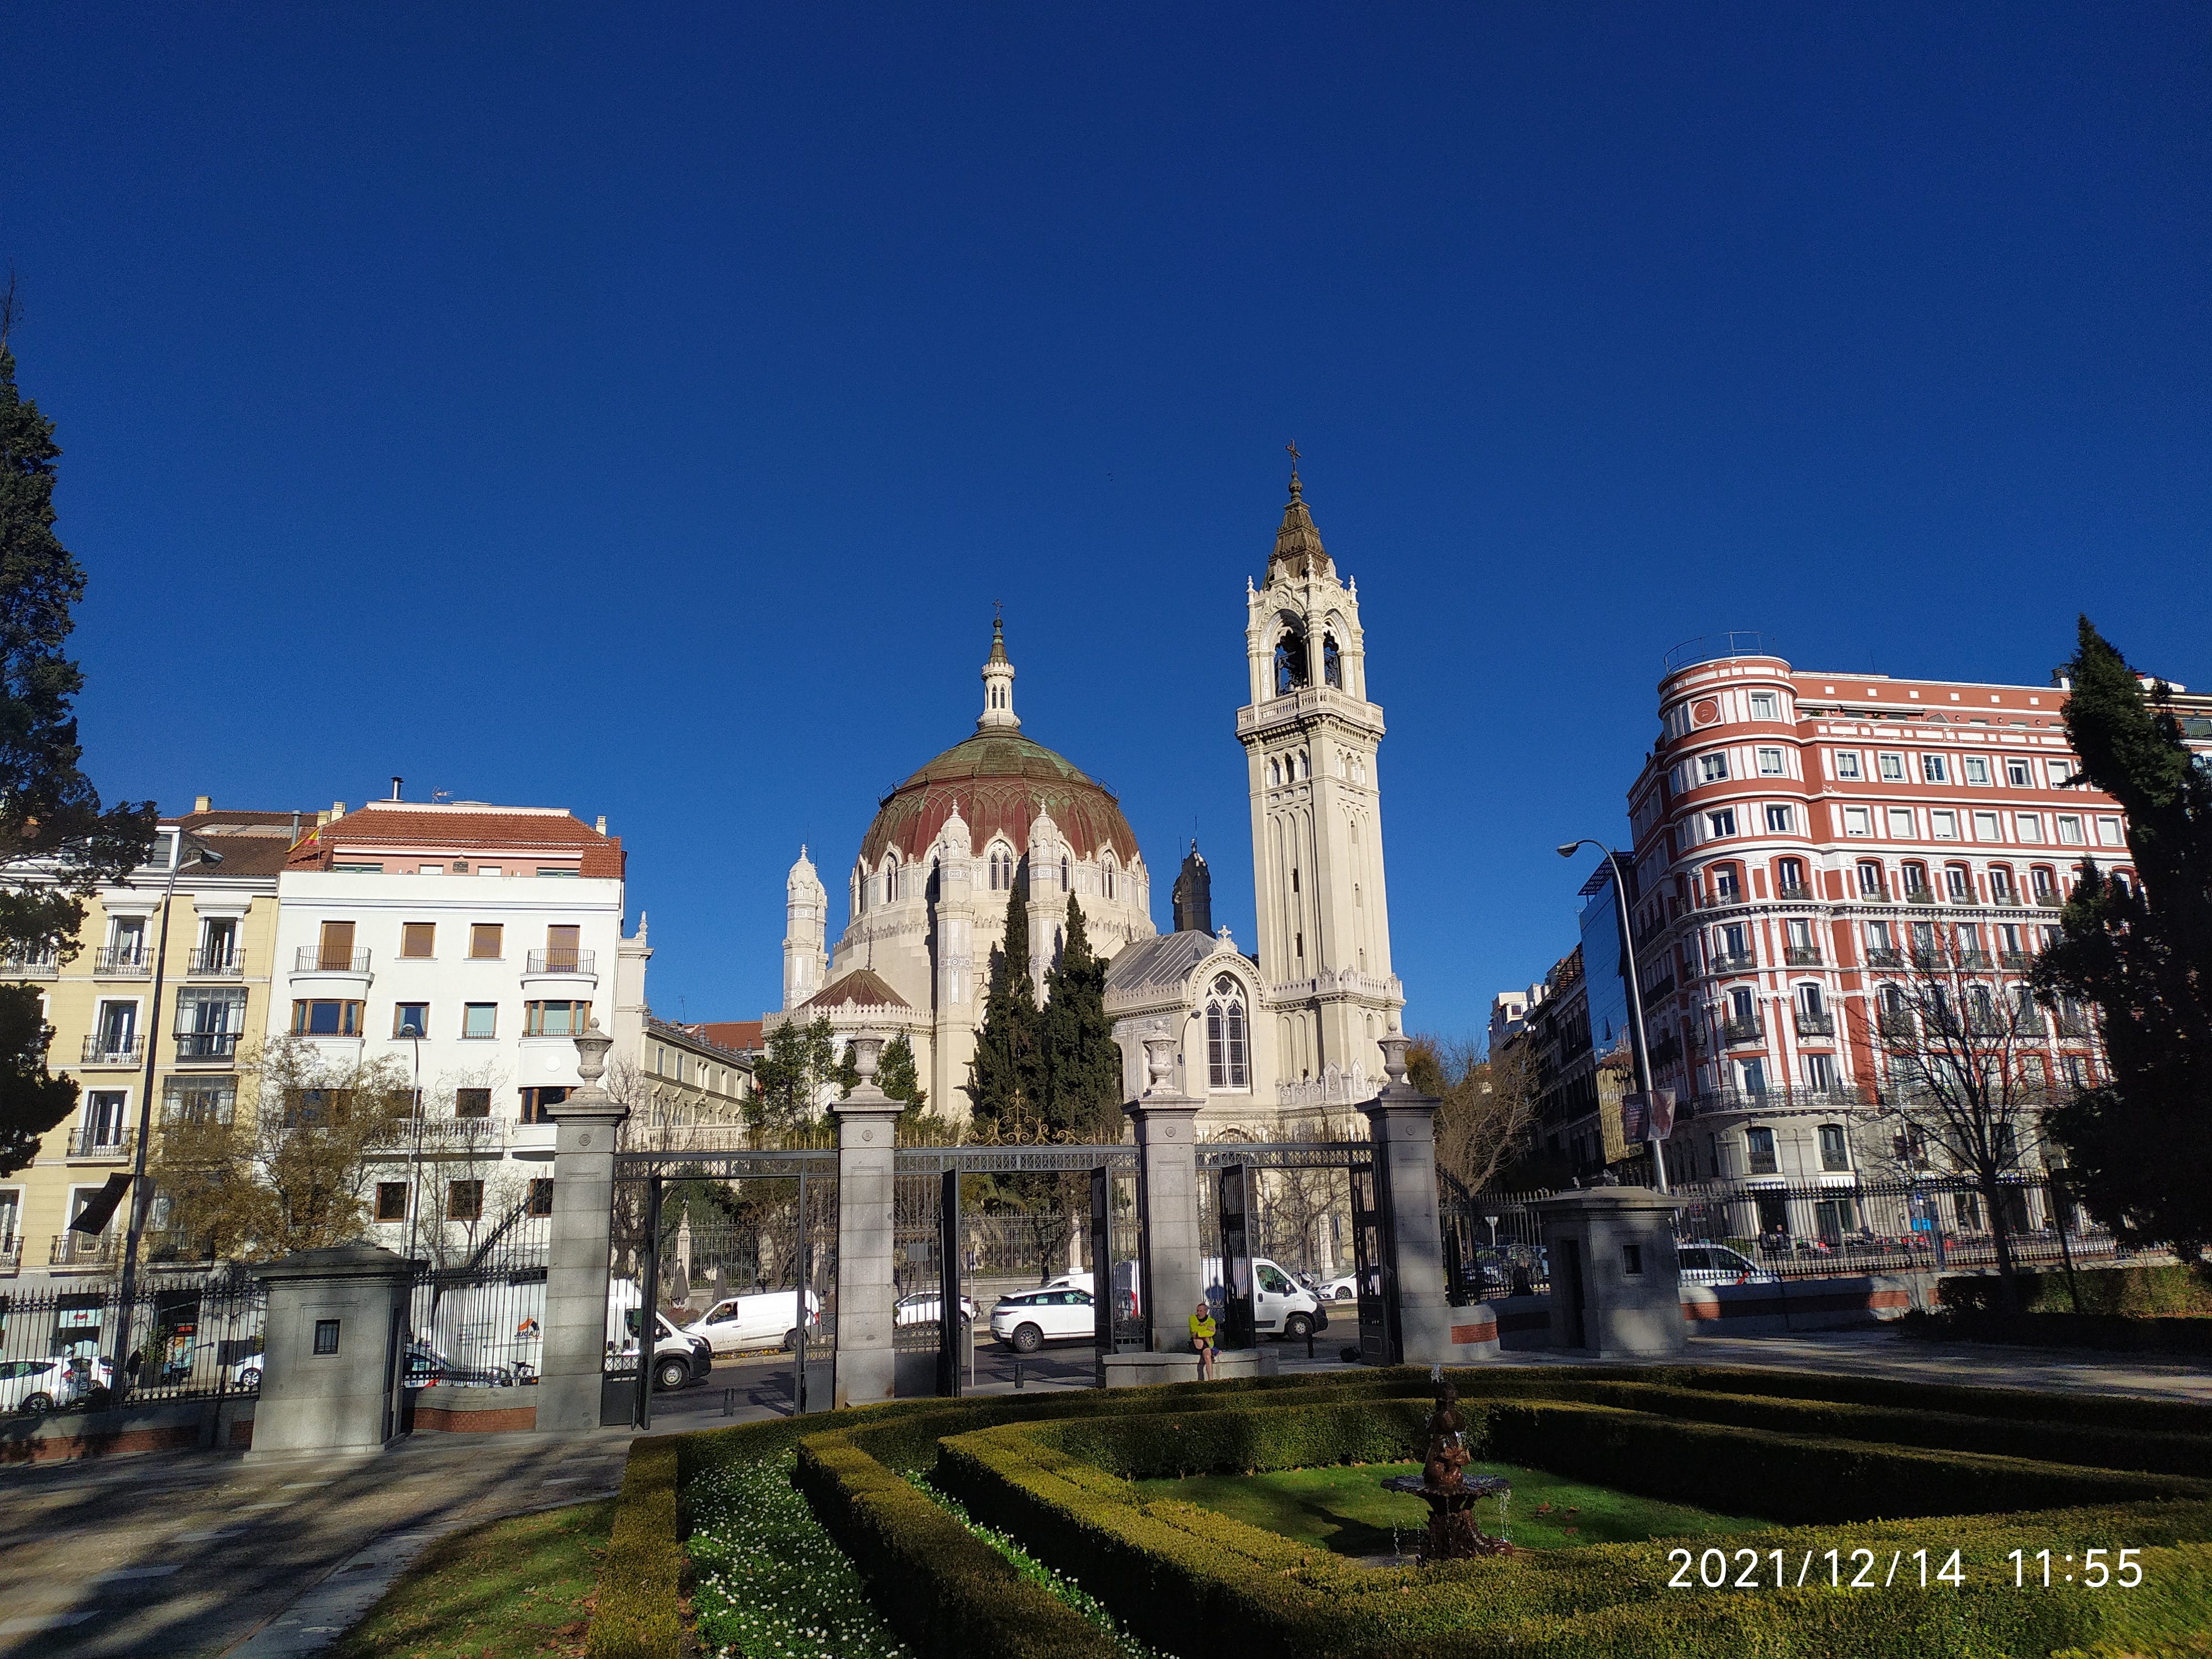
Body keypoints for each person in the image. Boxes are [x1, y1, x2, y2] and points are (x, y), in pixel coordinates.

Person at [1188, 1299, 1217, 1381]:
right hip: (1196, 1343)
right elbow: (1194, 1329)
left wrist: (1199, 1334)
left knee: (1208, 1357)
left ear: (1206, 1311)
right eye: (1198, 1311)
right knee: (1200, 1342)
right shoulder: (1192, 1318)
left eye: (1201, 1311)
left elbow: (1212, 1333)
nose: (1199, 1313)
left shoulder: (1211, 1321)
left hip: (1206, 1344)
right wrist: (1207, 1328)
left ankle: (1210, 1380)